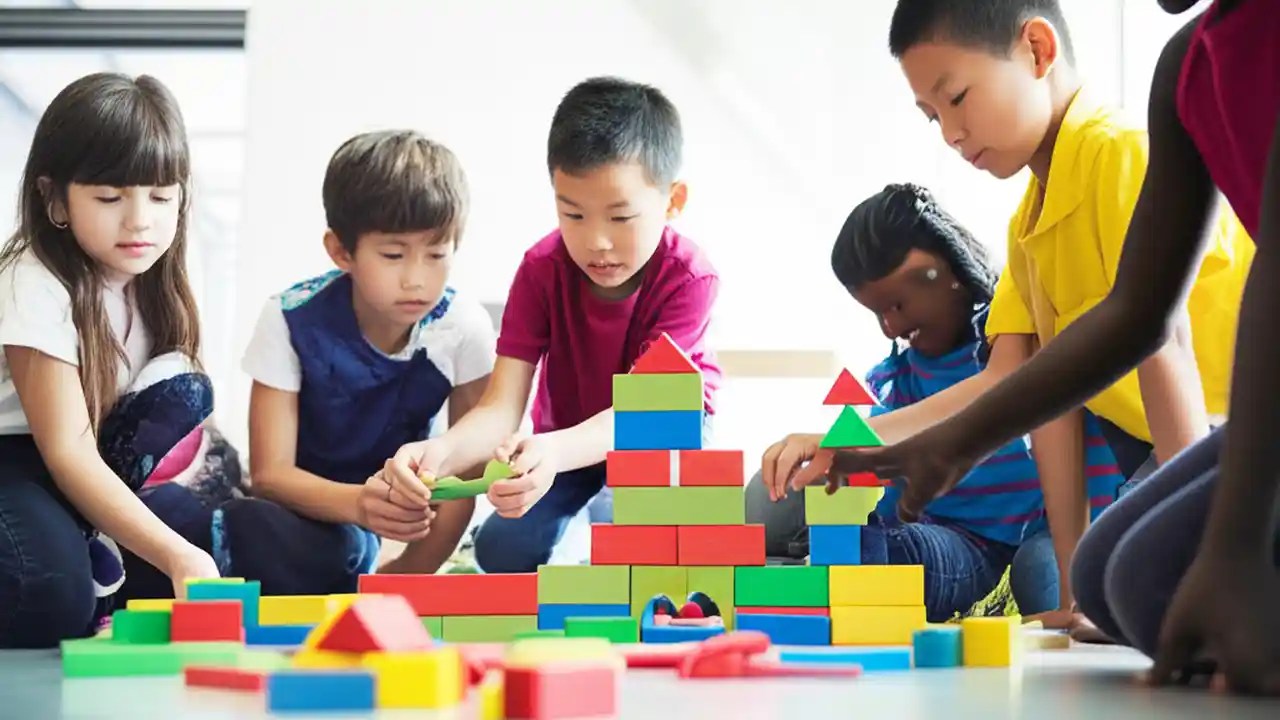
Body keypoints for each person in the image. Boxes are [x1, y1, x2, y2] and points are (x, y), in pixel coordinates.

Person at [816, 0, 1280, 694]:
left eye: (958, 99)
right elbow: (1051, 399)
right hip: (1196, 445)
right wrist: (1070, 587)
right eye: (931, 117)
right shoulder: (1030, 219)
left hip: (1220, 428)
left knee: (1148, 578)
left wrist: (1215, 538)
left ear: (1036, 50)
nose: (949, 133)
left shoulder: (1114, 146)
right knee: (1102, 576)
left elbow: (1164, 342)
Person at [384, 76, 722, 573]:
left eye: (621, 217)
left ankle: (594, 546)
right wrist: (441, 452)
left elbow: (649, 413)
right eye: (573, 214)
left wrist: (554, 450)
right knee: (503, 551)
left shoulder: (689, 275)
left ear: (673, 201)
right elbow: (501, 407)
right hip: (562, 443)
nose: (597, 242)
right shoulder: (541, 269)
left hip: (659, 436)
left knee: (638, 538)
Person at [750, 184, 1124, 621]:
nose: (890, 327)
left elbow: (996, 390)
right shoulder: (900, 377)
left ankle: (832, 572)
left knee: (1032, 574)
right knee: (768, 498)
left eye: (897, 305)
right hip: (922, 524)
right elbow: (882, 486)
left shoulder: (1009, 337)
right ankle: (801, 573)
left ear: (946, 272)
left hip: (984, 543)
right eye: (877, 314)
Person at [0, 73, 225, 648]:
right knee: (47, 591)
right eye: (109, 197)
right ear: (54, 199)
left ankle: (89, 552)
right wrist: (176, 554)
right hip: (20, 457)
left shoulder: (154, 281)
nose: (139, 220)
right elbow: (66, 451)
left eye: (160, 196)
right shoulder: (33, 282)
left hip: (84, 459)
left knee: (217, 537)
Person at [226, 131, 495, 594]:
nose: (416, 279)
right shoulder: (289, 318)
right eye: (393, 255)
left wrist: (410, 574)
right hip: (304, 508)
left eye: (437, 255)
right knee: (256, 528)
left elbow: (468, 471)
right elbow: (270, 474)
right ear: (341, 251)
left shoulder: (463, 326)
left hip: (396, 521)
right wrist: (358, 506)